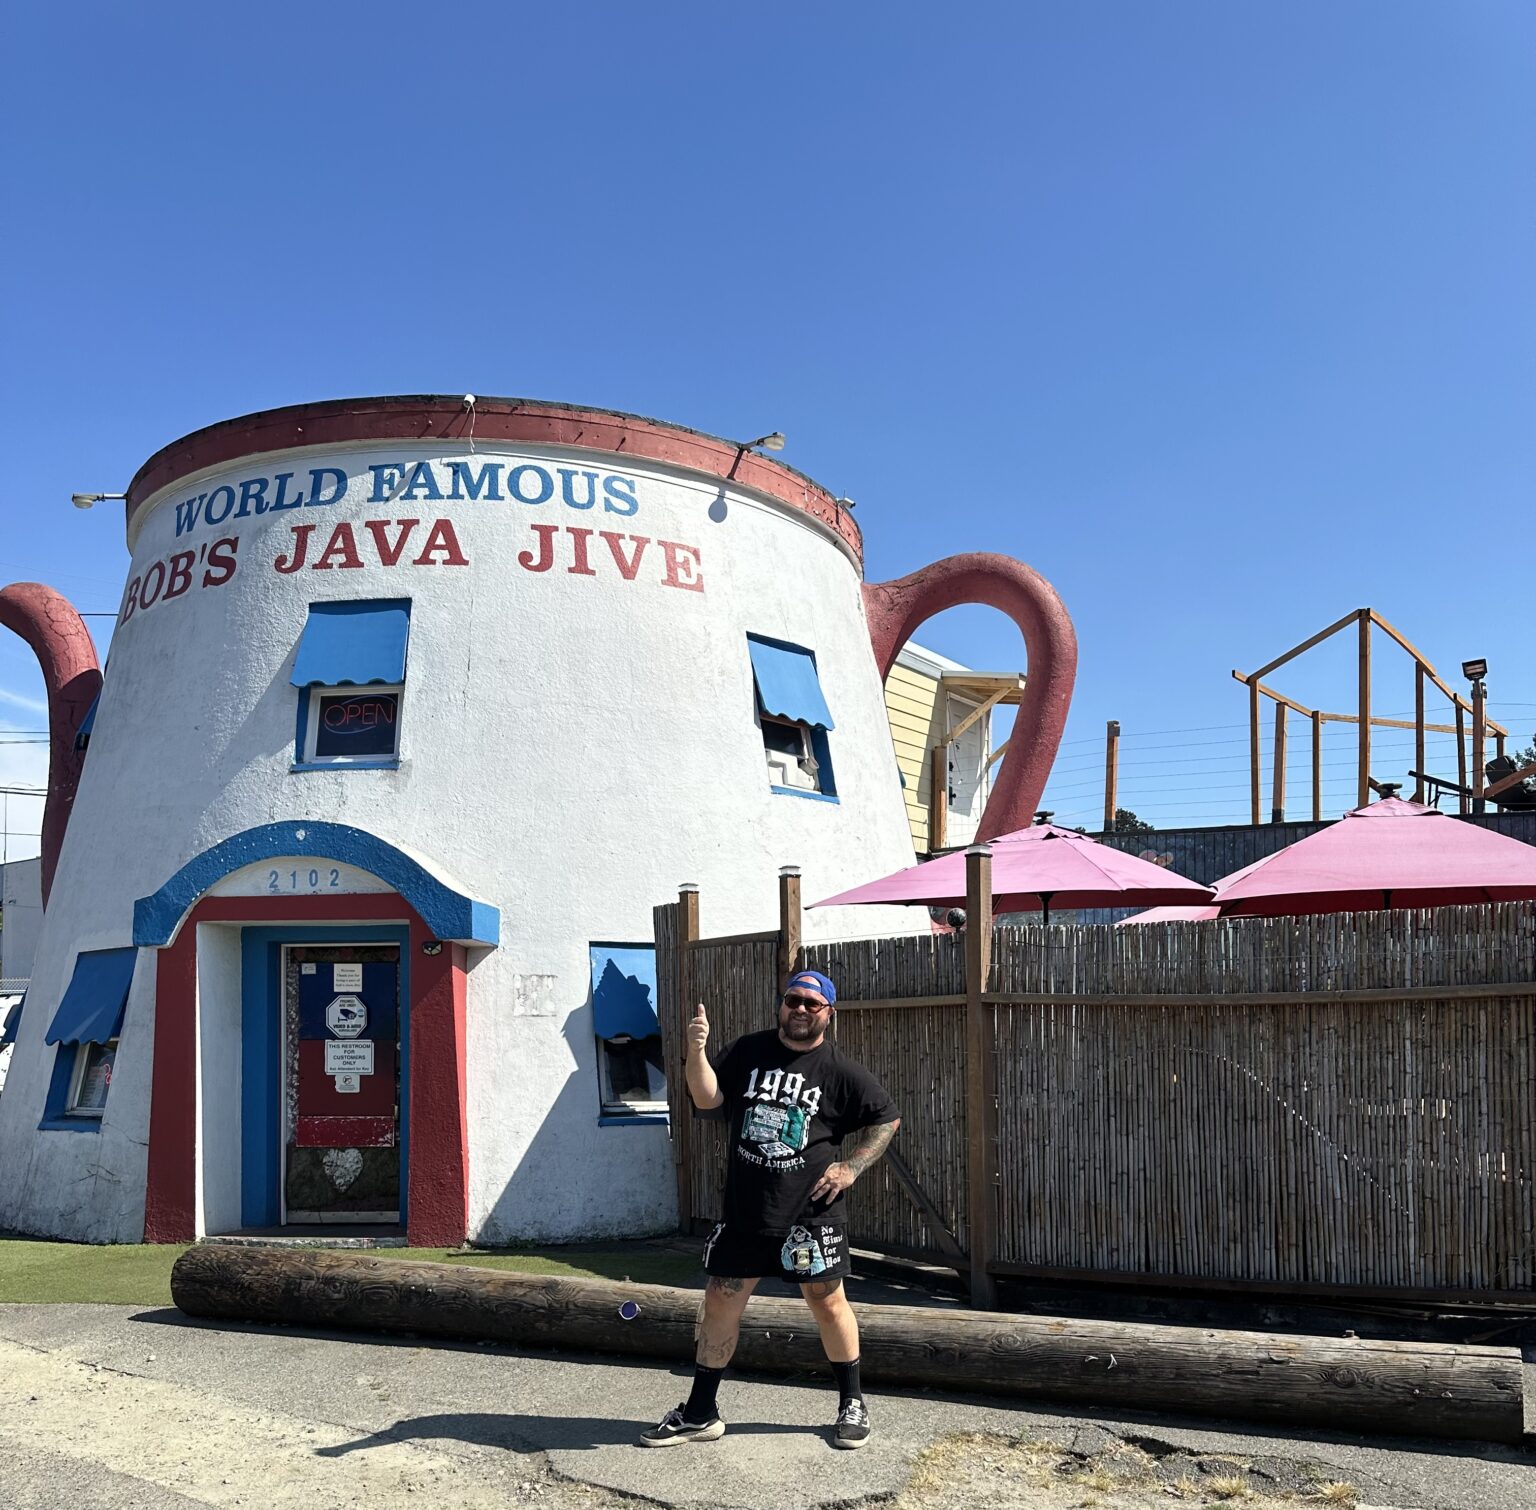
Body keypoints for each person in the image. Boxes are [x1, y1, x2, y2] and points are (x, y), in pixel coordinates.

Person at [640, 968, 900, 1451]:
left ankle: (852, 1404)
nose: (800, 1009)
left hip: (811, 1213)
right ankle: (700, 1413)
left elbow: (886, 1118)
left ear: (829, 1013)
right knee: (721, 1299)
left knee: (828, 1302)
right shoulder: (748, 1050)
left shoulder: (839, 1070)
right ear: (782, 1004)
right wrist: (696, 1052)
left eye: (811, 1004)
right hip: (747, 1209)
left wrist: (851, 1168)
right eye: (792, 1000)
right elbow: (708, 1098)